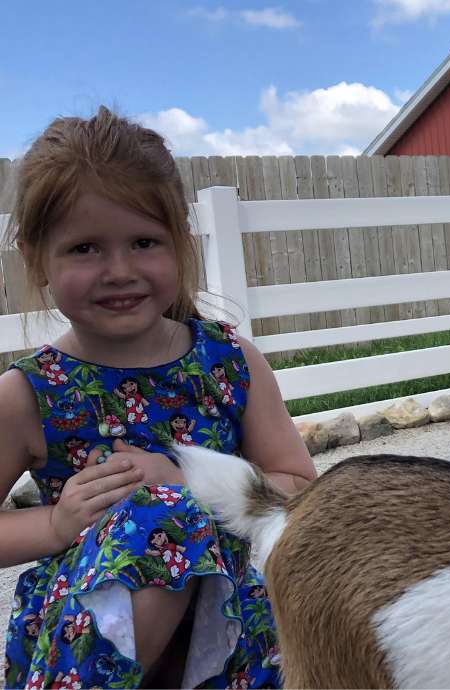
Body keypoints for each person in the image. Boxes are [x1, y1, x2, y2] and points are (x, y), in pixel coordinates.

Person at [0, 107, 317, 689]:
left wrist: (191, 482)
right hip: (84, 649)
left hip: (229, 640)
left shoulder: (229, 363)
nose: (119, 270)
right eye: (85, 248)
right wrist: (56, 524)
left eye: (144, 242)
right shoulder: (29, 394)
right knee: (158, 518)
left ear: (180, 243)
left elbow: (298, 489)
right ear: (35, 258)